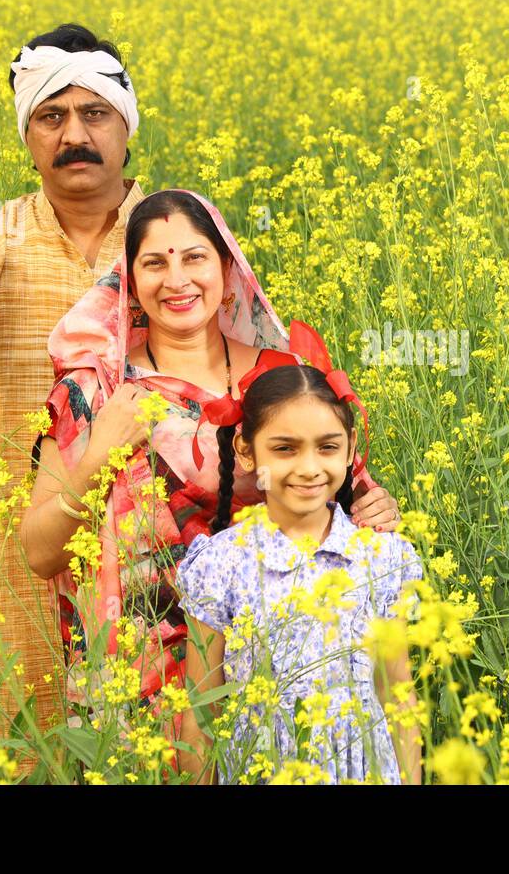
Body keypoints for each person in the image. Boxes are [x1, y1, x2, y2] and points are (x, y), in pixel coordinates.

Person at [0, 23, 402, 776]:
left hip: (205, 608)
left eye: (94, 114)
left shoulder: (174, 232)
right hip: (19, 580)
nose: (73, 134)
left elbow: (290, 426)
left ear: (125, 124)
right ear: (27, 134)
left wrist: (363, 508)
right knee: (13, 753)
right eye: (51, 116)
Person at [21, 188, 400, 769]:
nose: (177, 279)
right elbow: (40, 552)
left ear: (226, 271)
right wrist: (100, 452)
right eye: (155, 262)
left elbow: (340, 494)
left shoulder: (283, 376)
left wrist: (373, 511)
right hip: (141, 684)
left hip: (281, 670)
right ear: (131, 284)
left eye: (194, 257)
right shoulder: (95, 391)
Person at [174, 325, 424, 784]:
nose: (309, 468)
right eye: (285, 449)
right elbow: (200, 715)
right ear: (246, 452)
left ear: (350, 449)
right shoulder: (219, 564)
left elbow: (398, 701)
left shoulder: (382, 558)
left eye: (327, 447)